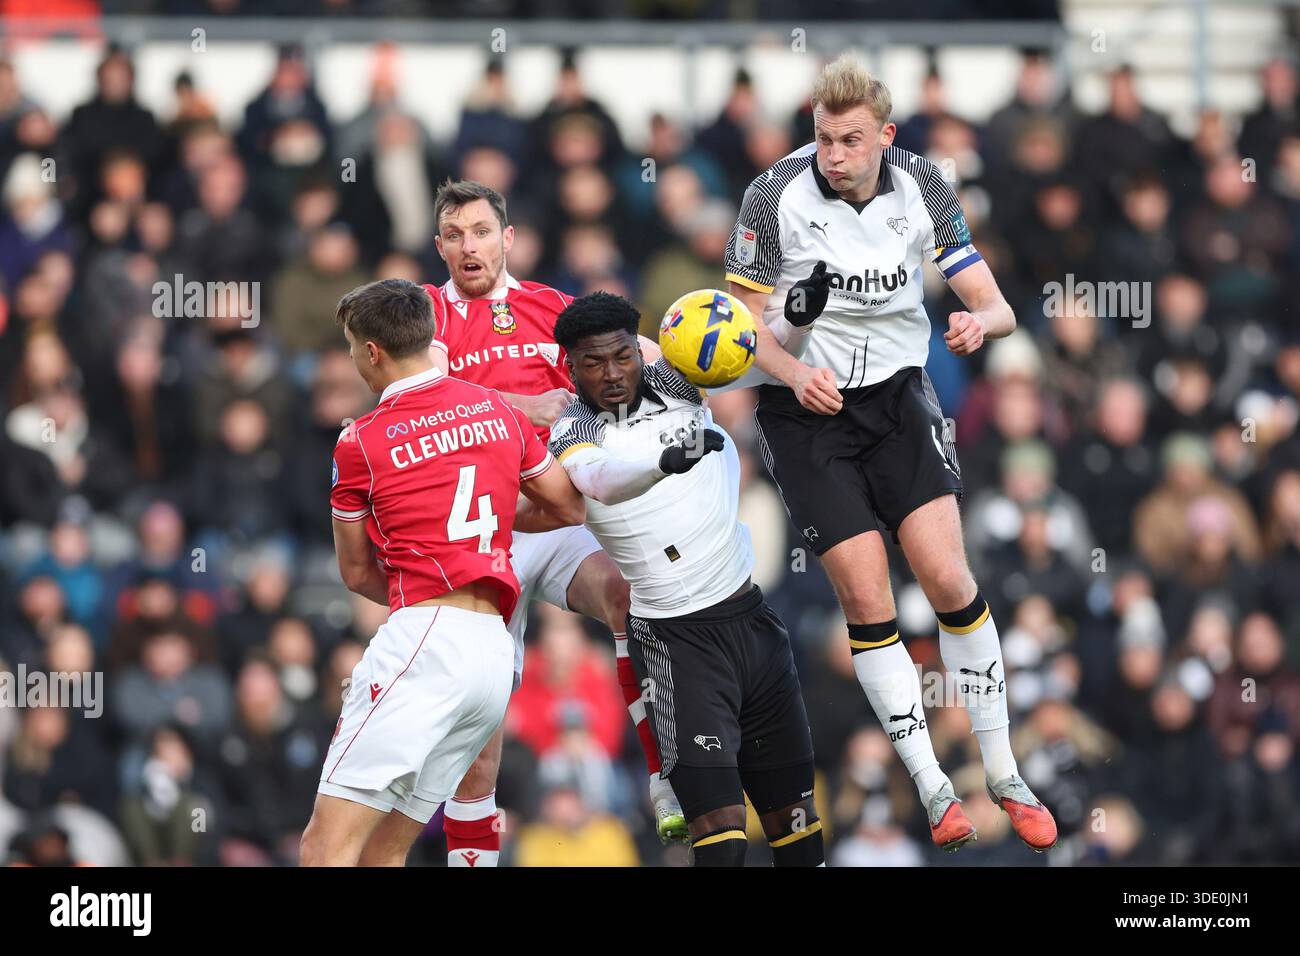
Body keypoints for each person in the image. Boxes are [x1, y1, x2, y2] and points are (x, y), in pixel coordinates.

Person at [722, 54, 1056, 852]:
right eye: (822, 139)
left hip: (900, 399)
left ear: (886, 136)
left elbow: (997, 305)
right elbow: (736, 329)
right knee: (867, 600)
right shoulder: (772, 195)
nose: (832, 156)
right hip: (805, 413)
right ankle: (935, 787)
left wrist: (983, 326)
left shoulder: (924, 186)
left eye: (849, 140)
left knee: (948, 576)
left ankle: (1005, 774)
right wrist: (795, 367)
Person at [419, 179, 685, 866]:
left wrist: (698, 361)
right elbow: (429, 404)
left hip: (562, 521)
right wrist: (524, 407)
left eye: (481, 231)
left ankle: (661, 775)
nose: (468, 246)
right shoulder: (424, 319)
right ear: (440, 245)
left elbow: (636, 353)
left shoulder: (549, 306)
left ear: (507, 240)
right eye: (454, 235)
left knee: (631, 597)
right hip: (483, 531)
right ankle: (467, 856)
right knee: (482, 721)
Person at [298, 278, 584, 866]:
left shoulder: (361, 440)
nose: (353, 361)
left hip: (426, 638)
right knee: (382, 852)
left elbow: (355, 573)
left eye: (353, 348)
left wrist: (423, 586)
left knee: (325, 847)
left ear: (372, 351)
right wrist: (490, 541)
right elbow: (567, 506)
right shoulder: (498, 410)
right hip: (490, 656)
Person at [546, 291, 823, 867]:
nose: (612, 374)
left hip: (752, 622)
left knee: (797, 829)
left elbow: (751, 357)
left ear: (638, 349)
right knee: (721, 839)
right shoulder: (572, 430)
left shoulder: (678, 382)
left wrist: (796, 316)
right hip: (675, 642)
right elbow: (598, 480)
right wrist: (662, 462)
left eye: (621, 356)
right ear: (569, 367)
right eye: (592, 363)